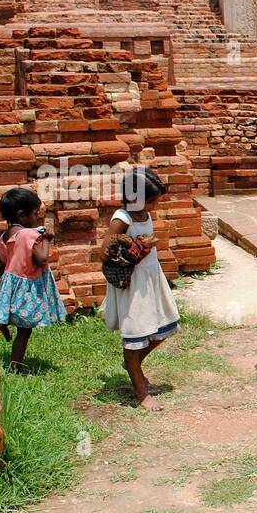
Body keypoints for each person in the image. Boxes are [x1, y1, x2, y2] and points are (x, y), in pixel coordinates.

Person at [103, 167, 180, 411]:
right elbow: (105, 251)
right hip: (132, 284)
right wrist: (135, 248)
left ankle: (133, 365)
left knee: (165, 327)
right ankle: (141, 392)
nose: (153, 207)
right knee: (135, 336)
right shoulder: (122, 218)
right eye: (151, 202)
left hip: (150, 279)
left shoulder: (143, 216)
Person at [0, 187, 67, 370]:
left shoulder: (5, 235)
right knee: (25, 330)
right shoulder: (29, 234)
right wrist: (47, 239)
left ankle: (1, 321)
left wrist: (6, 287)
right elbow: (41, 259)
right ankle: (15, 365)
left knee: (20, 324)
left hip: (11, 282)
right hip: (27, 285)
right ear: (22, 215)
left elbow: (0, 264)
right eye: (35, 213)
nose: (37, 218)